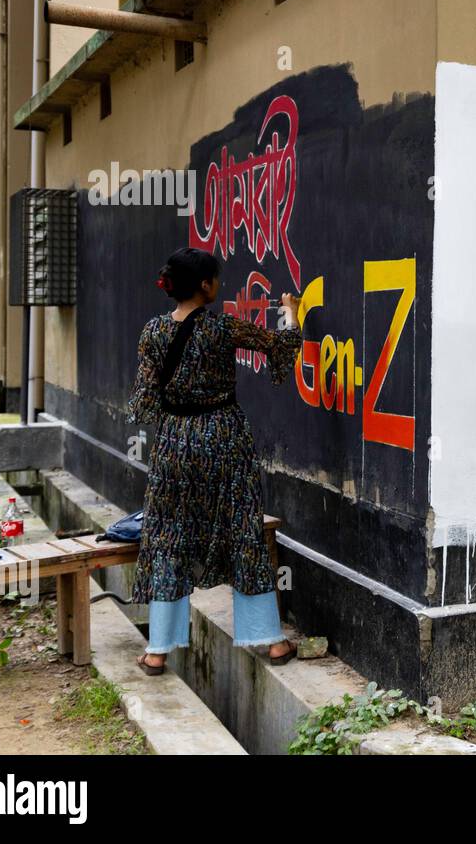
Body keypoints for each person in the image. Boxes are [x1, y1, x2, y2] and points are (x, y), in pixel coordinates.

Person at [126, 247, 303, 675]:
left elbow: (144, 401)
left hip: (173, 443)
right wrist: (290, 312)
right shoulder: (222, 327)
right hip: (225, 438)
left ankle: (157, 651)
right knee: (243, 529)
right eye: (216, 279)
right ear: (205, 286)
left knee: (168, 536)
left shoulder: (152, 332)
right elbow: (281, 346)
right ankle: (271, 641)